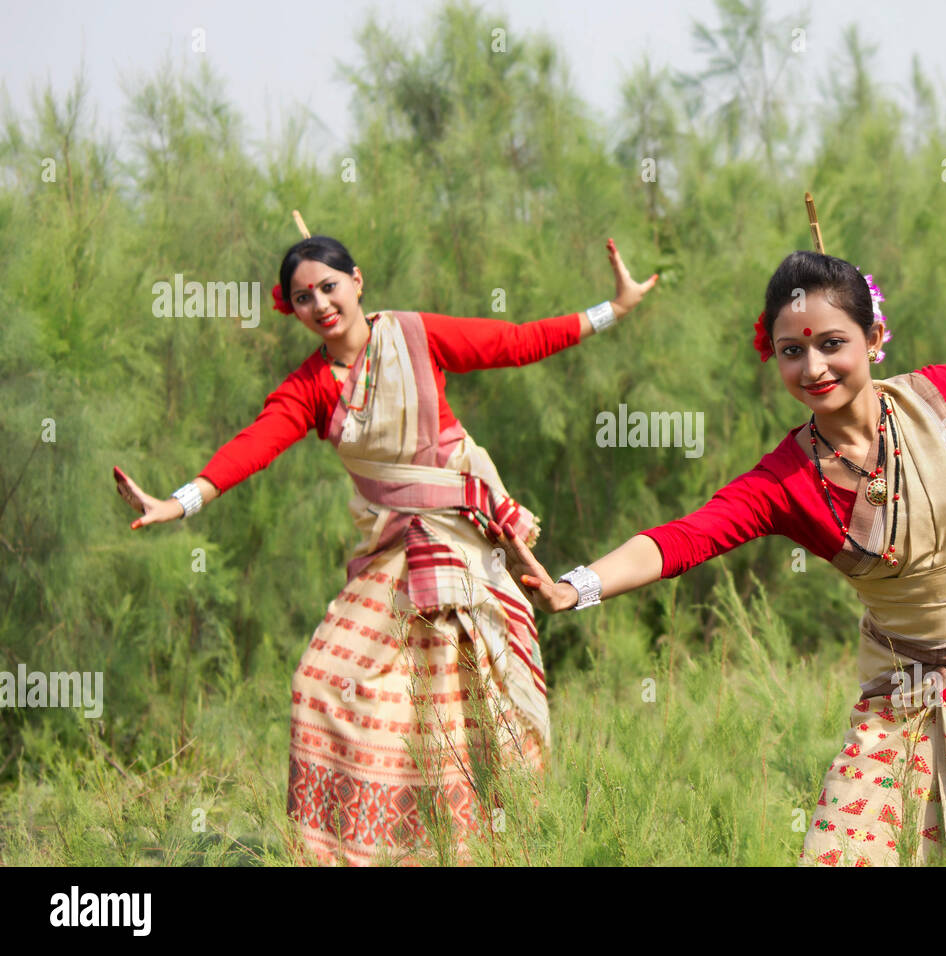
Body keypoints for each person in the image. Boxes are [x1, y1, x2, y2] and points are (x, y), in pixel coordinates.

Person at [495, 219, 946, 866]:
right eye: (791, 351)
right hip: (903, 695)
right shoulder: (788, 479)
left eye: (831, 344)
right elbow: (683, 539)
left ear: (876, 337)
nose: (812, 369)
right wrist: (576, 586)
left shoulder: (940, 398)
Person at [114, 232, 658, 865]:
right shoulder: (311, 387)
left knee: (462, 700)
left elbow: (514, 343)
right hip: (395, 550)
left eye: (327, 286)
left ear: (357, 281)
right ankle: (350, 850)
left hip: (463, 541)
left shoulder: (414, 336)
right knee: (321, 684)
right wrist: (178, 501)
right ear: (290, 311)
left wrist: (611, 310)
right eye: (301, 297)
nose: (318, 303)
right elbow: (254, 446)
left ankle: (485, 847)